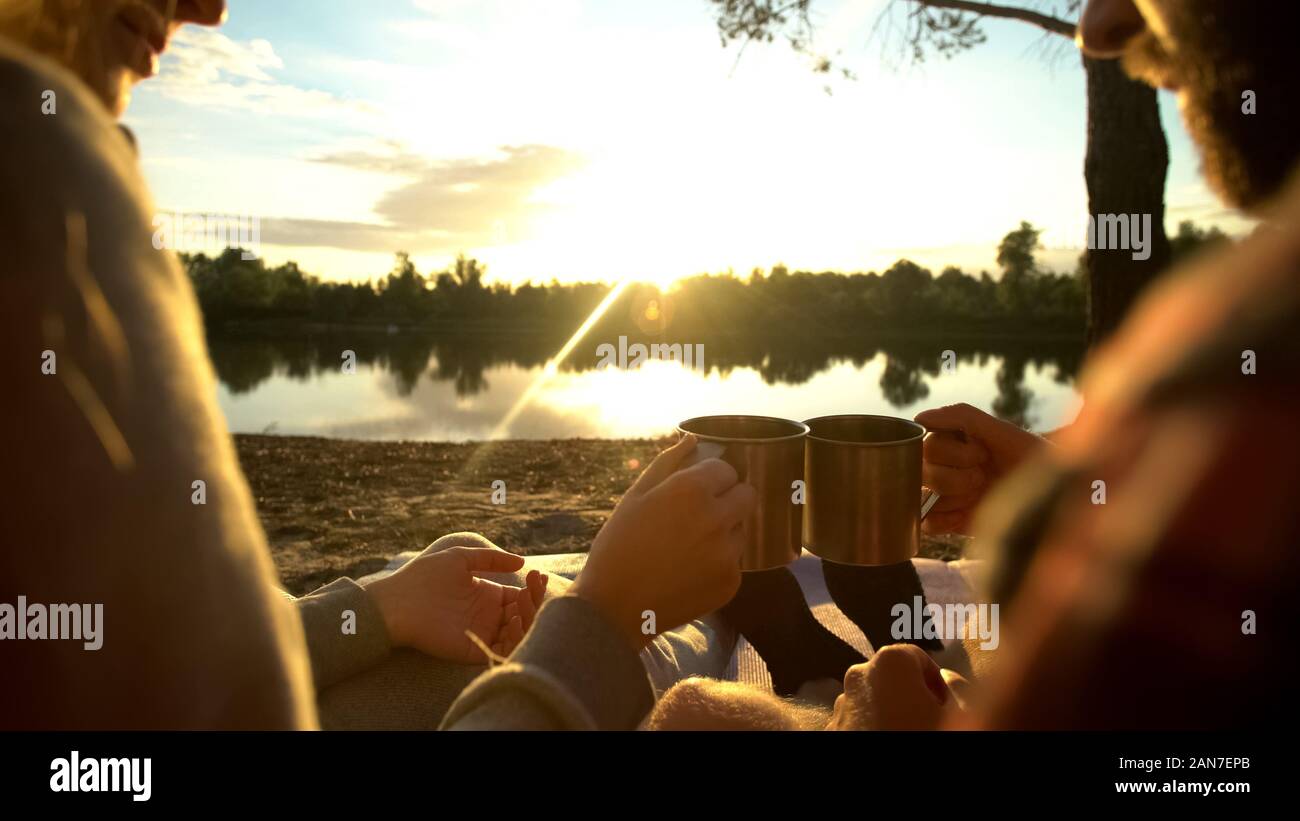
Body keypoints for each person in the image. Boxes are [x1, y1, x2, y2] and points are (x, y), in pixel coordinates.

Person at [0, 0, 756, 729]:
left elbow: (156, 667)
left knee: (460, 575)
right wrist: (604, 622)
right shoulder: (42, 169)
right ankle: (745, 612)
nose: (207, 10)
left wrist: (378, 606)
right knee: (682, 661)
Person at [646, 0, 1300, 730]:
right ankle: (892, 637)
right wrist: (1080, 492)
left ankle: (827, 656)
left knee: (695, 711)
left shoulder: (1254, 371)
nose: (1101, 26)